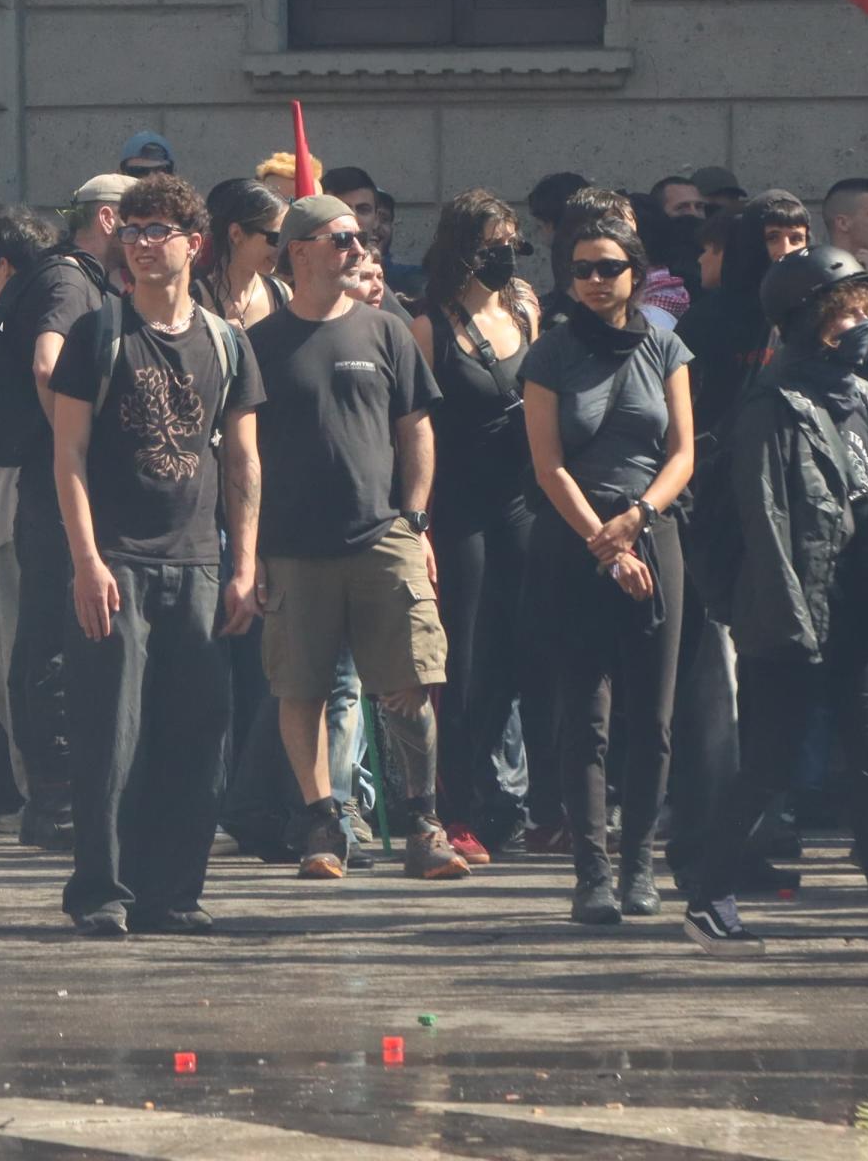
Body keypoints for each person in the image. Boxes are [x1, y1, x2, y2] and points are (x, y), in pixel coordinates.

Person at [681, 249, 868, 962]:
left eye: (862, 310)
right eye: (844, 315)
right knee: (768, 764)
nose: (859, 325)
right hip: (793, 615)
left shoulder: (865, 396)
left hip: (861, 605)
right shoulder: (772, 407)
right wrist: (788, 629)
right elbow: (767, 524)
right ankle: (707, 900)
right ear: (808, 322)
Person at [48, 173, 262, 936]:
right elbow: (68, 455)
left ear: (194, 244)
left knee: (195, 736)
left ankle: (173, 891)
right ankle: (101, 893)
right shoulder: (97, 334)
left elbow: (244, 460)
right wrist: (86, 560)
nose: (140, 244)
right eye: (131, 230)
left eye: (156, 230)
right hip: (117, 561)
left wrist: (244, 566)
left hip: (199, 563)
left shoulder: (227, 343)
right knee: (110, 737)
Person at [251, 194, 458, 881]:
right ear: (299, 250)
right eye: (341, 238)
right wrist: (251, 550)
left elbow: (417, 429)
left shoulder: (386, 331)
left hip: (383, 535)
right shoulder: (260, 344)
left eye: (359, 238)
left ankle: (424, 821)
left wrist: (416, 519)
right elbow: (242, 456)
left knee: (412, 683)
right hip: (293, 547)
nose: (357, 249)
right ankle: (323, 820)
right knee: (301, 689)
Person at [523, 211, 695, 925]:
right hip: (576, 539)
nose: (596, 281)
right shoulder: (551, 354)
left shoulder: (666, 346)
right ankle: (591, 873)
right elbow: (546, 464)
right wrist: (605, 542)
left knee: (652, 718)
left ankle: (639, 868)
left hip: (653, 532)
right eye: (583, 270)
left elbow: (683, 453)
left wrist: (640, 519)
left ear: (636, 274)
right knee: (584, 717)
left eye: (610, 268)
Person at [0, 177, 128, 850]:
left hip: (57, 484)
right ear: (106, 218)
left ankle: (62, 796)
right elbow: (48, 367)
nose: (146, 239)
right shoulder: (72, 281)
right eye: (137, 222)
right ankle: (54, 798)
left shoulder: (81, 279)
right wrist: (76, 450)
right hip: (56, 489)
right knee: (53, 638)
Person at [414, 190, 542, 862]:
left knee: (515, 653)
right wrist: (416, 521)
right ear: (463, 247)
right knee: (460, 661)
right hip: (457, 508)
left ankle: (505, 802)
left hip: (520, 502)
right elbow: (416, 430)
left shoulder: (524, 309)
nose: (505, 257)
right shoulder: (429, 325)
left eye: (511, 244)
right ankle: (454, 807)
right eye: (493, 245)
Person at [0, 208, 62, 817]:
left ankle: (42, 793)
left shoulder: (28, 320)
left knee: (13, 661)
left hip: (19, 500)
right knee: (1, 662)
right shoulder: (31, 315)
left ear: (2, 265)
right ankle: (39, 793)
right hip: (3, 503)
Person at [196, 179, 290, 331]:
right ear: (236, 234)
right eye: (276, 238)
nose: (282, 248)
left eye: (286, 238)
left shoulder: (281, 293)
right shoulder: (193, 300)